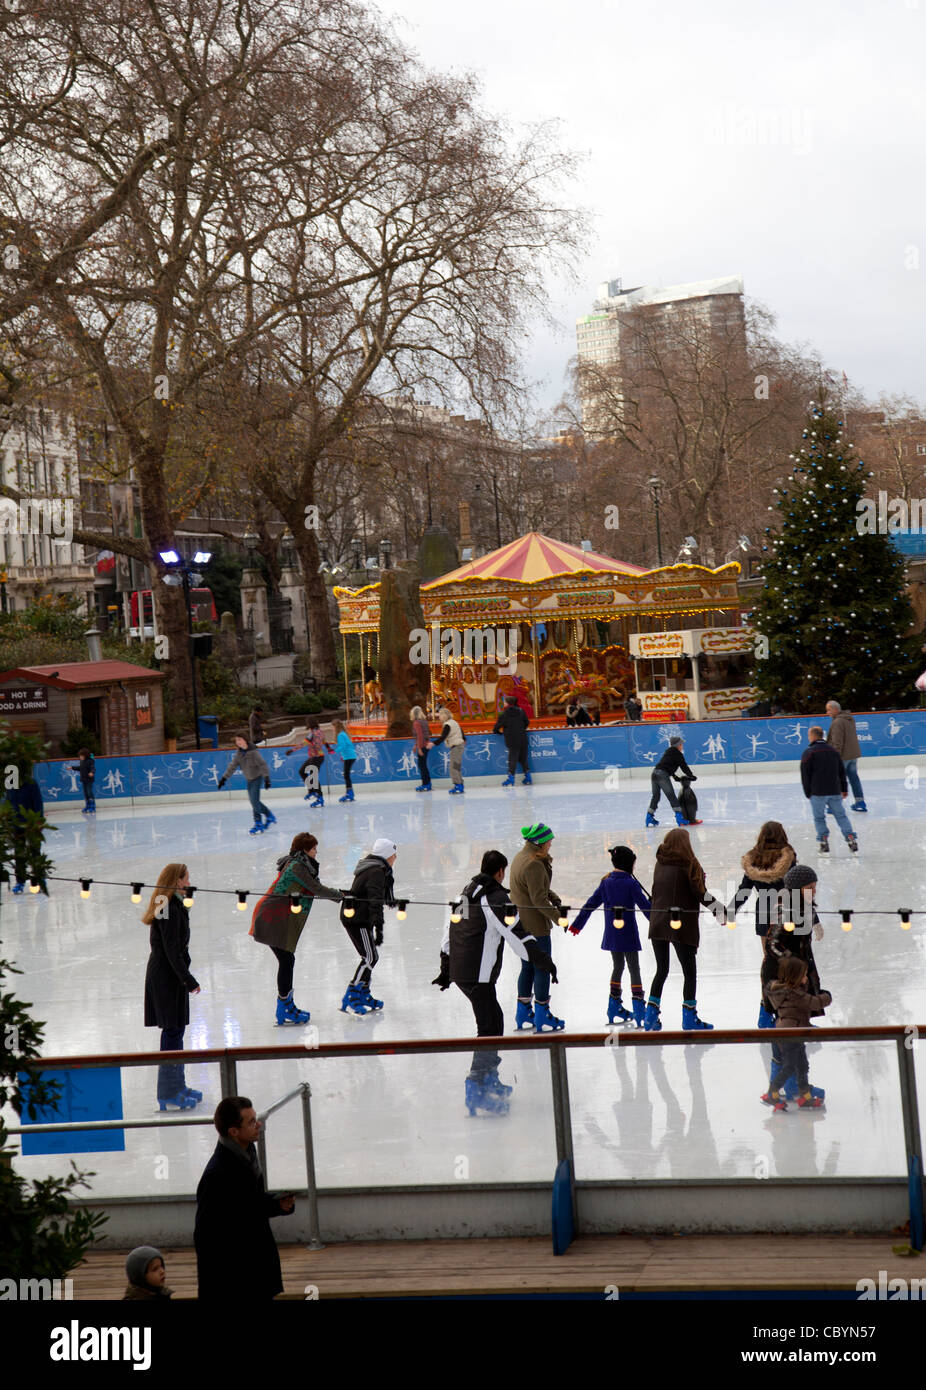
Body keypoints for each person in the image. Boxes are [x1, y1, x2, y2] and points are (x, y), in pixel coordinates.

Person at [432, 849, 556, 1116]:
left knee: (493, 1020)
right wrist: (543, 961)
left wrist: (446, 966)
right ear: (500, 871)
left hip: (461, 972)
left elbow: (449, 931)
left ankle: (488, 1079)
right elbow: (516, 935)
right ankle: (477, 1087)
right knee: (489, 1026)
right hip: (478, 974)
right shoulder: (495, 898)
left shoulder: (464, 893)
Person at [194, 1096, 295, 1301]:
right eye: (251, 1122)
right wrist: (274, 1204)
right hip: (233, 1280)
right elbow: (208, 1232)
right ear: (233, 1132)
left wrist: (278, 1204)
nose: (258, 1124)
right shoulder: (218, 1173)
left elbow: (247, 1202)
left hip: (253, 1268)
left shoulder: (247, 1152)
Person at [250, 832, 342, 1025]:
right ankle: (284, 1007)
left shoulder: (298, 863)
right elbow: (316, 888)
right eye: (314, 848)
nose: (316, 852)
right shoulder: (297, 866)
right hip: (270, 917)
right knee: (286, 959)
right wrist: (340, 896)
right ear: (305, 850)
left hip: (275, 915)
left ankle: (285, 1005)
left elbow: (314, 886)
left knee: (287, 959)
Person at [760, 862, 827, 1103]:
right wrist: (795, 967)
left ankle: (792, 1086)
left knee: (790, 1037)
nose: (814, 891)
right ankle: (792, 1087)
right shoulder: (785, 909)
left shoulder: (801, 904)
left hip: (792, 976)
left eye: (815, 886)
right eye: (810, 887)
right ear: (798, 888)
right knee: (788, 1038)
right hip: (781, 978)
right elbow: (773, 945)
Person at [645, 828, 723, 1032]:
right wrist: (720, 910)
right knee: (689, 972)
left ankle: (650, 1018)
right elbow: (700, 893)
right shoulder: (689, 863)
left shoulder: (660, 863)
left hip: (659, 921)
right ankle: (689, 1018)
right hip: (681, 923)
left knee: (661, 970)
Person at [568, 844, 651, 1027]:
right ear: (629, 864)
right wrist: (659, 920)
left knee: (618, 966)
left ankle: (613, 1007)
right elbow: (646, 908)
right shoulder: (630, 883)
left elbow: (591, 903)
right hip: (628, 933)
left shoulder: (606, 882)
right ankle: (639, 1010)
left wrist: (577, 924)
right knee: (634, 968)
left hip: (613, 934)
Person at [142, 863, 202, 1111]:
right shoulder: (166, 906)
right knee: (172, 1032)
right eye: (186, 878)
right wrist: (188, 979)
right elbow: (170, 949)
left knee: (176, 1031)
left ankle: (177, 1085)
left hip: (172, 974)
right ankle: (168, 1091)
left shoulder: (172, 903)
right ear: (177, 881)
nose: (189, 882)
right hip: (166, 976)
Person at [726, 820, 796, 1027]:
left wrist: (731, 910)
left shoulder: (753, 859)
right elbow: (796, 887)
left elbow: (745, 889)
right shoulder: (788, 856)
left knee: (769, 961)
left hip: (764, 912)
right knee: (788, 961)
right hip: (786, 911)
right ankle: (787, 1010)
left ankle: (765, 1010)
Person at [509, 823, 564, 1031]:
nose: (551, 843)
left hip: (521, 924)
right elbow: (538, 898)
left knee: (527, 967)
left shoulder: (520, 857)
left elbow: (537, 889)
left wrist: (554, 897)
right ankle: (542, 1015)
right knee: (542, 967)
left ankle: (523, 1013)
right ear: (539, 842)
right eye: (549, 840)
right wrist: (559, 918)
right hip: (535, 925)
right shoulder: (533, 863)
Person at [762, 956, 831, 1112]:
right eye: (804, 975)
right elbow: (814, 1003)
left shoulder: (787, 992)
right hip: (789, 1035)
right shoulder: (794, 995)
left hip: (792, 1033)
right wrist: (826, 995)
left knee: (802, 1065)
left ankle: (804, 1096)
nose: (806, 978)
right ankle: (772, 1093)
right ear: (796, 977)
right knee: (790, 1066)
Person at [339, 837, 396, 1015]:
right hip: (358, 919)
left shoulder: (374, 868)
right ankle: (351, 995)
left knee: (371, 956)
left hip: (360, 916)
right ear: (387, 855)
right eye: (394, 855)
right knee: (370, 957)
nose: (395, 859)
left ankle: (362, 992)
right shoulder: (377, 871)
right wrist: (379, 926)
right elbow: (374, 900)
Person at [800, 726, 858, 854]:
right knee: (841, 816)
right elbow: (841, 772)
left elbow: (805, 774)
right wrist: (844, 788)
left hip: (817, 792)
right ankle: (850, 838)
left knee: (819, 818)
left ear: (814, 736)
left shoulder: (809, 753)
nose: (808, 738)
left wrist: (807, 792)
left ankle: (823, 840)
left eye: (809, 735)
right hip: (834, 791)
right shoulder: (834, 751)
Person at [217, 733, 274, 834]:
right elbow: (232, 766)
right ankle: (269, 815)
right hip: (249, 779)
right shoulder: (239, 753)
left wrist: (267, 778)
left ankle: (258, 823)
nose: (238, 742)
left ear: (245, 740)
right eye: (236, 740)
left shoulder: (254, 752)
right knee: (254, 801)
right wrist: (224, 778)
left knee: (254, 802)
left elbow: (263, 764)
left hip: (257, 778)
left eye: (239, 739)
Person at [5, 759, 45, 894]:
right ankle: (20, 881)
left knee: (35, 852)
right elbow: (8, 802)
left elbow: (38, 804)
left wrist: (39, 822)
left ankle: (39, 880)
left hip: (31, 824)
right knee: (19, 854)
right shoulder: (10, 783)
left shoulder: (31, 784)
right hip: (17, 825)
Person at [825, 700, 867, 812]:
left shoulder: (838, 722)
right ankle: (860, 802)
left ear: (835, 709)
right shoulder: (848, 719)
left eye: (829, 710)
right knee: (854, 779)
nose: (827, 712)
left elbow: (837, 743)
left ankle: (834, 806)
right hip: (853, 755)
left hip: (843, 756)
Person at [645, 735, 695, 828]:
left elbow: (666, 764)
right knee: (671, 796)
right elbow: (684, 766)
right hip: (662, 775)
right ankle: (680, 818)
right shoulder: (678, 754)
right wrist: (691, 775)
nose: (682, 746)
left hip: (654, 773)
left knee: (655, 796)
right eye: (681, 744)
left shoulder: (668, 752)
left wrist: (674, 776)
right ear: (678, 745)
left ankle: (649, 817)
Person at [493, 693, 532, 786]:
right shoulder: (521, 711)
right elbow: (527, 722)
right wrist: (521, 729)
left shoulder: (504, 714)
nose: (503, 704)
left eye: (504, 702)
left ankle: (511, 779)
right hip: (522, 738)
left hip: (512, 740)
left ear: (507, 703)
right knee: (523, 759)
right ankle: (528, 778)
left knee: (512, 759)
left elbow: (496, 728)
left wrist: (501, 733)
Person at [292, 718, 327, 808]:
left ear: (310, 724)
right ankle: (312, 791)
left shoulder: (312, 733)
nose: (306, 724)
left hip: (316, 757)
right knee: (302, 771)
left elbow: (304, 743)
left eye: (307, 723)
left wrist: (292, 750)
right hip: (316, 757)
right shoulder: (320, 732)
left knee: (312, 776)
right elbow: (324, 742)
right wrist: (329, 748)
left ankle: (319, 797)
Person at [430, 705, 466, 794]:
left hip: (456, 747)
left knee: (453, 767)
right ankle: (460, 784)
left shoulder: (447, 725)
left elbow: (443, 737)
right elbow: (461, 731)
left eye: (440, 715)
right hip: (459, 746)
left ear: (444, 715)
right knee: (456, 767)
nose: (439, 718)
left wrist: (433, 743)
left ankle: (458, 785)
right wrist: (464, 739)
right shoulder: (454, 722)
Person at [327, 719, 357, 803]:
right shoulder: (344, 734)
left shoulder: (340, 735)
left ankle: (349, 793)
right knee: (346, 775)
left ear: (335, 727)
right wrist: (343, 756)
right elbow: (349, 745)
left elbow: (343, 746)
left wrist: (334, 751)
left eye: (333, 727)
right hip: (350, 756)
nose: (332, 729)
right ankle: (350, 793)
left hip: (349, 757)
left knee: (346, 775)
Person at [411, 705, 432, 791]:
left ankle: (426, 784)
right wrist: (416, 745)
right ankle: (427, 783)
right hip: (426, 744)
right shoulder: (424, 722)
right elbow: (423, 734)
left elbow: (420, 735)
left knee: (422, 765)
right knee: (423, 765)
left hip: (423, 746)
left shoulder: (416, 723)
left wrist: (419, 747)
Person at [69, 747, 95, 814]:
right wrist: (72, 767)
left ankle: (92, 805)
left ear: (85, 755)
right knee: (86, 794)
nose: (80, 757)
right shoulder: (82, 762)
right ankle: (87, 805)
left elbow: (93, 768)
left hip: (89, 780)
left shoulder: (90, 761)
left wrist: (91, 772)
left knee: (89, 792)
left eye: (81, 755)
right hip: (84, 780)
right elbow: (80, 768)